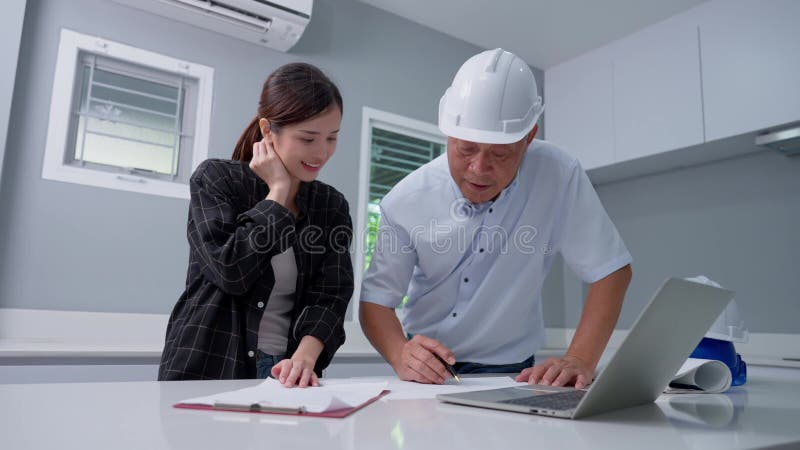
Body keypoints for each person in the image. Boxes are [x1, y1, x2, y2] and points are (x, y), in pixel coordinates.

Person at [359, 49, 632, 389]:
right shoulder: (405, 200)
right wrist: (400, 353)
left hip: (514, 369)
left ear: (529, 137)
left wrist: (580, 359)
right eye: (466, 149)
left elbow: (611, 270)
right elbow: (376, 301)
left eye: (500, 153)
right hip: (428, 370)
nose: (479, 169)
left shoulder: (558, 175)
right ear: (448, 134)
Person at [159, 63, 353, 387]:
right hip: (208, 366)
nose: (322, 152)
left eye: (332, 138)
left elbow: (331, 296)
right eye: (308, 139)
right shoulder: (216, 180)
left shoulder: (331, 206)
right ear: (268, 130)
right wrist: (278, 194)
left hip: (286, 375)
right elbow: (231, 271)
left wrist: (306, 357)